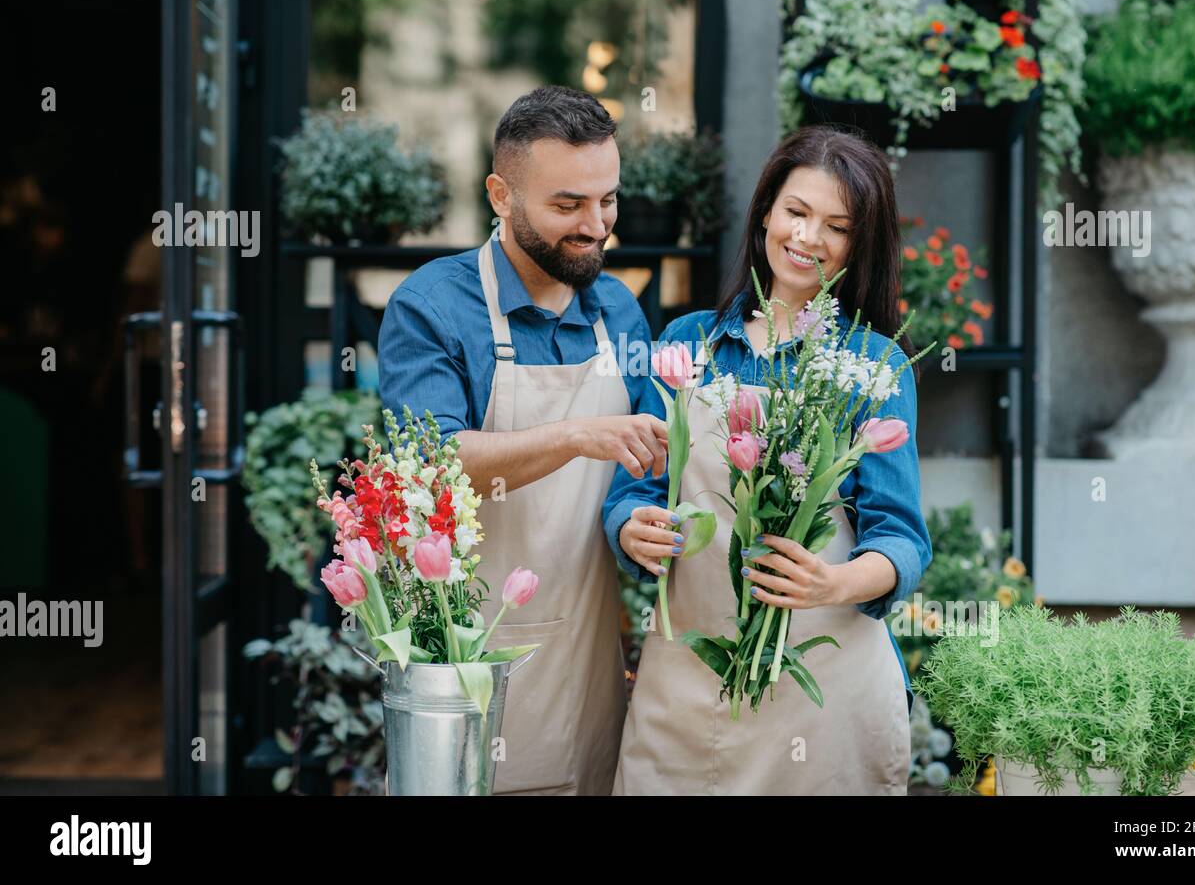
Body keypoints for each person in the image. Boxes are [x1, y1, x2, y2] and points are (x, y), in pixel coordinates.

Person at [603, 124, 932, 794]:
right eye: (797, 212)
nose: (808, 238)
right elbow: (633, 489)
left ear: (858, 244)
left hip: (825, 689)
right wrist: (630, 526)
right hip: (686, 685)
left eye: (836, 227)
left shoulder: (874, 366)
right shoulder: (687, 345)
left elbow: (900, 540)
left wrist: (832, 584)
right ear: (765, 215)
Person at [378, 85, 669, 795]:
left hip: (590, 654)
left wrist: (638, 517)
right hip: (467, 659)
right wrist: (574, 434)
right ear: (501, 195)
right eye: (567, 205)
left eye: (608, 201)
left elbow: (649, 470)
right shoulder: (433, 307)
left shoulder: (621, 313)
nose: (594, 225)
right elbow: (435, 468)